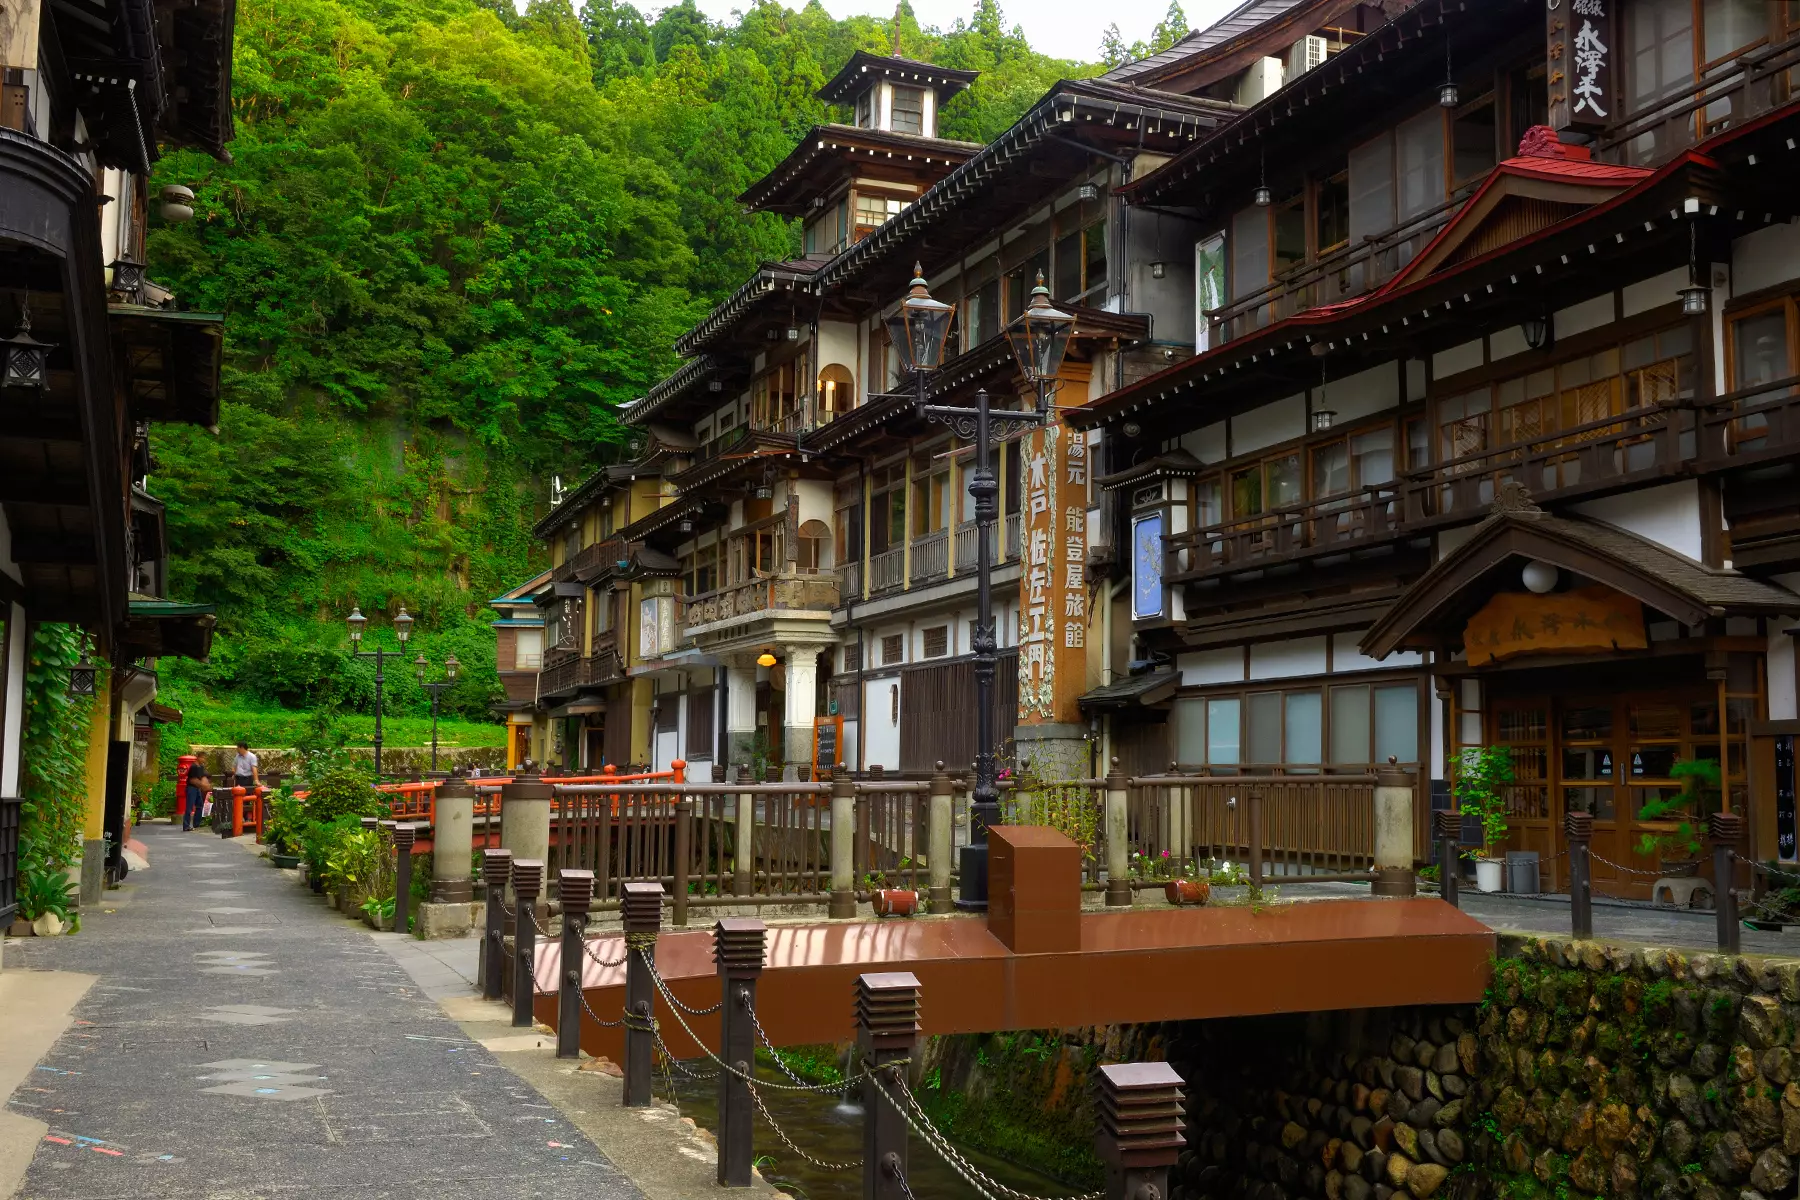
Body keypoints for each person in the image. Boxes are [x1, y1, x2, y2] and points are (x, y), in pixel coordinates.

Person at [183, 767, 211, 832]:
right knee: (189, 807)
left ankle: (196, 824)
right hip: (191, 788)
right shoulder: (194, 767)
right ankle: (186, 826)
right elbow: (192, 779)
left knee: (200, 805)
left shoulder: (200, 768)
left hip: (197, 788)